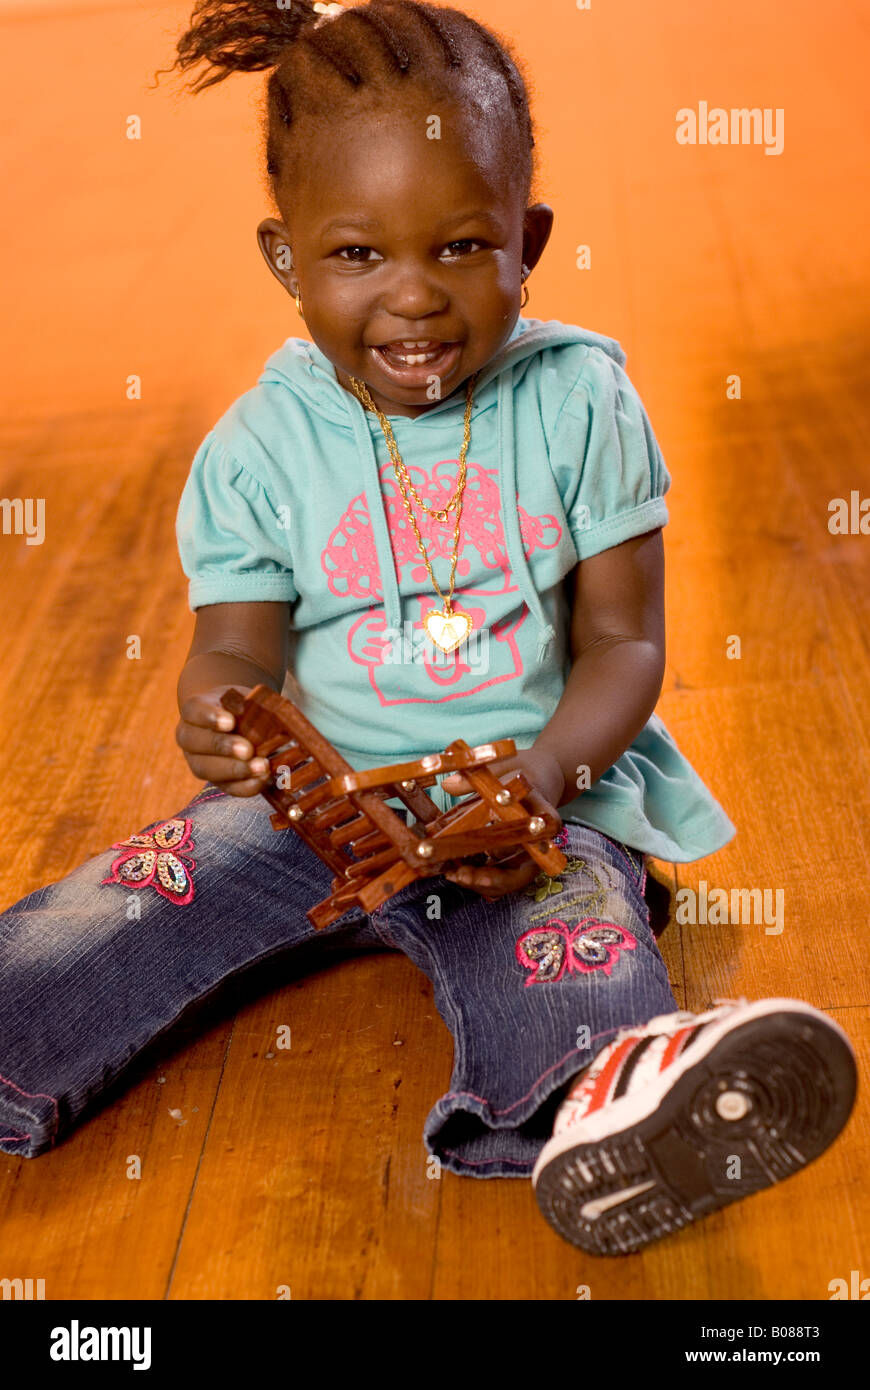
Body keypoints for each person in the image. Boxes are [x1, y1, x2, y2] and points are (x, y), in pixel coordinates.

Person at [0, 0, 856, 1258]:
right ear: (286, 259)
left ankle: (610, 1106)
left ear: (529, 241)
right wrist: (221, 711)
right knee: (116, 910)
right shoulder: (259, 447)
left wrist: (553, 772)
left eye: (461, 246)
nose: (413, 300)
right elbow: (236, 644)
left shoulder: (581, 404)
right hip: (315, 810)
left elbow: (624, 642)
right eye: (356, 257)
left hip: (525, 806)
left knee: (576, 946)